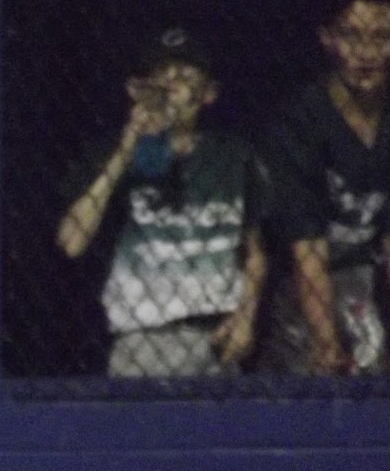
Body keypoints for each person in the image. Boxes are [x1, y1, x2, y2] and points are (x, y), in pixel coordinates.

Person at [260, 0, 390, 375]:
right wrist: (326, 343)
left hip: (367, 279)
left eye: (381, 37)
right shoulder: (300, 121)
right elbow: (304, 242)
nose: (366, 53)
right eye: (351, 36)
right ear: (327, 39)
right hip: (301, 277)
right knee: (310, 368)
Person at [56, 26, 267, 377]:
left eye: (184, 76)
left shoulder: (233, 155)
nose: (170, 85)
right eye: (159, 77)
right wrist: (128, 148)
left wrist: (246, 316)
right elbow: (71, 243)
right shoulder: (112, 153)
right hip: (140, 336)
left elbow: (255, 250)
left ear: (209, 93)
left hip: (215, 331)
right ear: (136, 90)